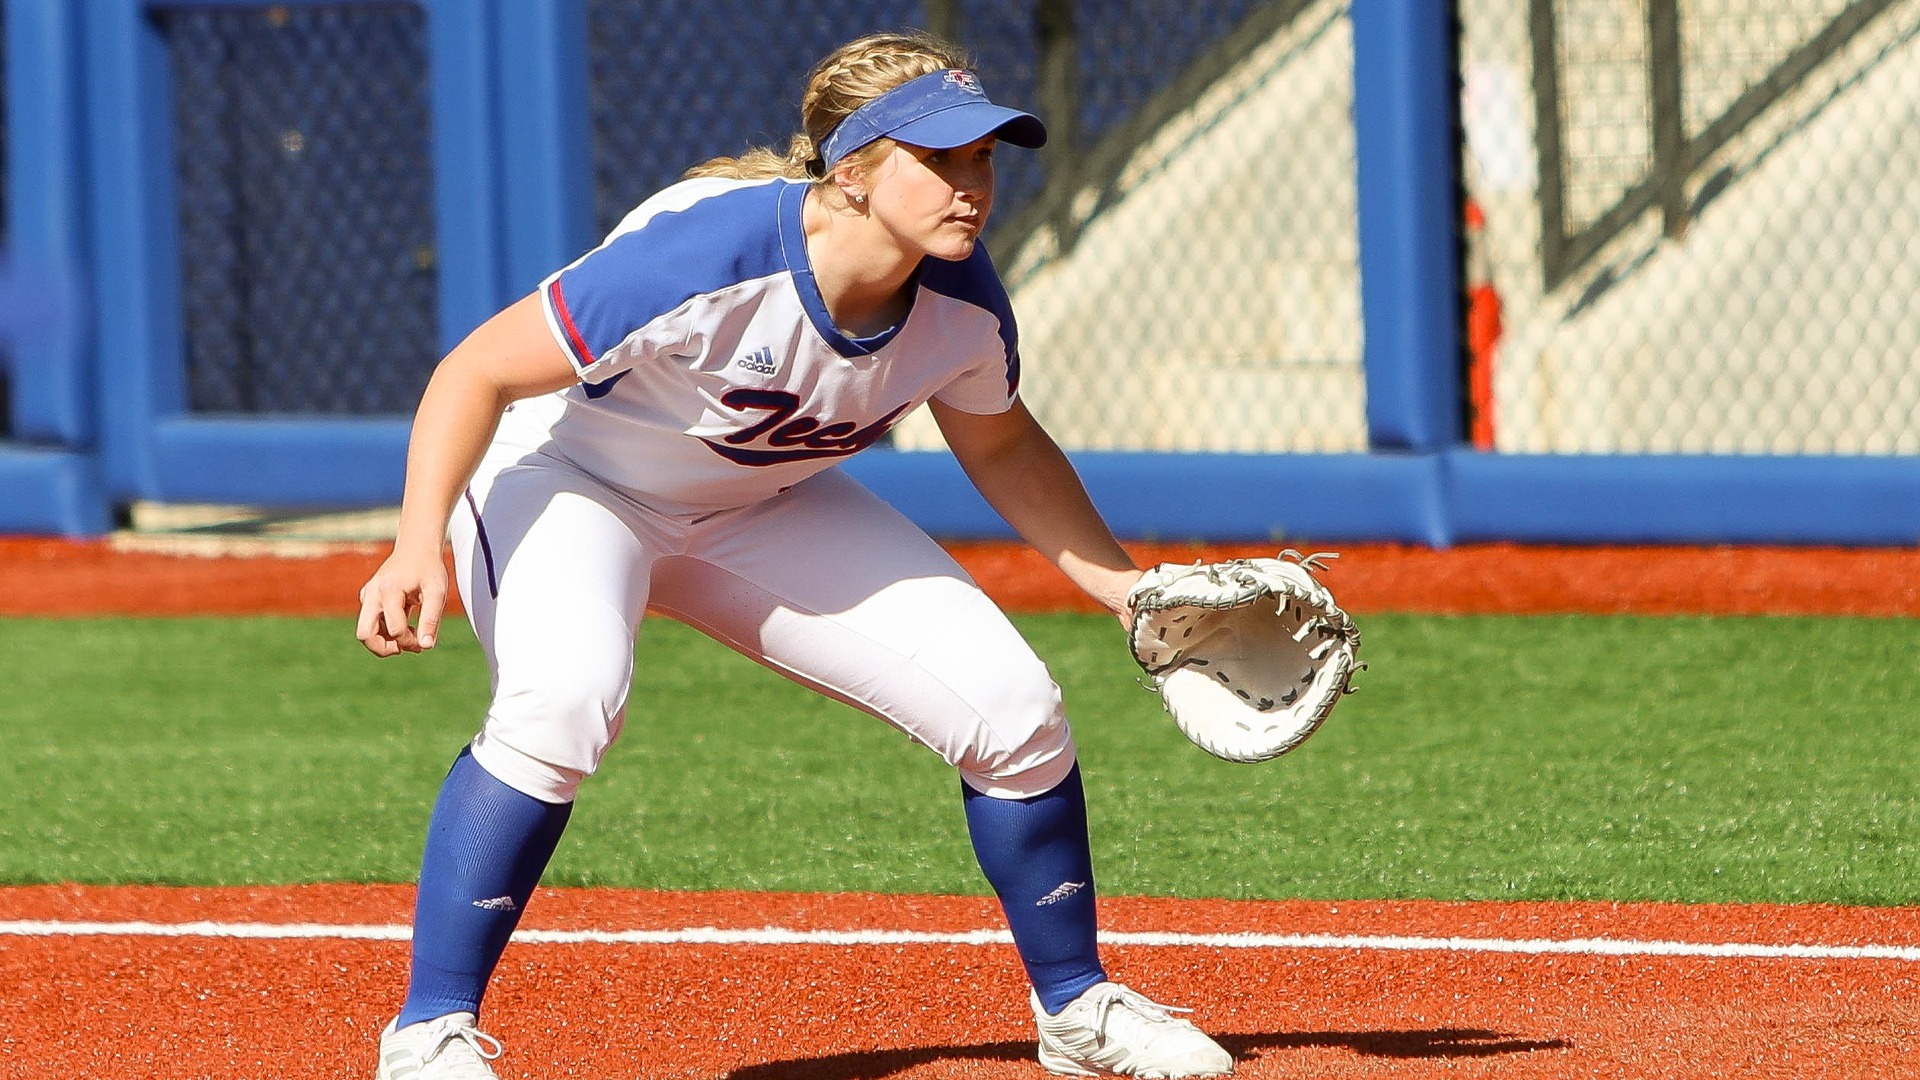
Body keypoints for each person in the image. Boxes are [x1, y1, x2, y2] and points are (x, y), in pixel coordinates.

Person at [356, 29, 1234, 1080]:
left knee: (1017, 713)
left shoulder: (959, 298)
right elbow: (476, 370)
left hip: (758, 503)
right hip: (567, 481)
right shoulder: (711, 256)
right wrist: (416, 541)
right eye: (940, 158)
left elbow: (1000, 440)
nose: (972, 184)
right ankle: (428, 1032)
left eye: (985, 157)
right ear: (853, 172)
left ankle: (1078, 1008)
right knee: (562, 702)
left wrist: (1127, 591)